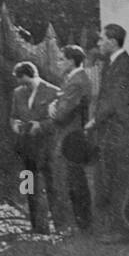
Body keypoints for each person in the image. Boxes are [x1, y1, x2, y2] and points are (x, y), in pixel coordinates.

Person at [90, 23, 129, 243]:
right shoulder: (113, 63)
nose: (99, 44)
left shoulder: (124, 65)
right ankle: (114, 226)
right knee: (109, 178)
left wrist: (95, 119)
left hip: (120, 132)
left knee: (119, 180)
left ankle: (120, 229)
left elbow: (117, 101)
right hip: (113, 131)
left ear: (112, 41)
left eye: (102, 40)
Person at [9, 61, 65, 235]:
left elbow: (57, 121)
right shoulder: (18, 93)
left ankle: (60, 224)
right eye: (21, 83)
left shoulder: (54, 92)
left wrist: (40, 126)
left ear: (33, 76)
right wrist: (15, 125)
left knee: (52, 185)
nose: (24, 86)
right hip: (27, 147)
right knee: (29, 185)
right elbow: (13, 116)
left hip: (47, 146)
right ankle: (37, 225)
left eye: (26, 82)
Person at [49, 45, 93, 233]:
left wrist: (53, 108)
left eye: (62, 59)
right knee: (74, 178)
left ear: (71, 60)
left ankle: (82, 223)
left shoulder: (77, 81)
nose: (59, 63)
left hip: (72, 135)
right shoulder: (73, 79)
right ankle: (81, 222)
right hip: (72, 134)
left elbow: (61, 113)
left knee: (74, 179)